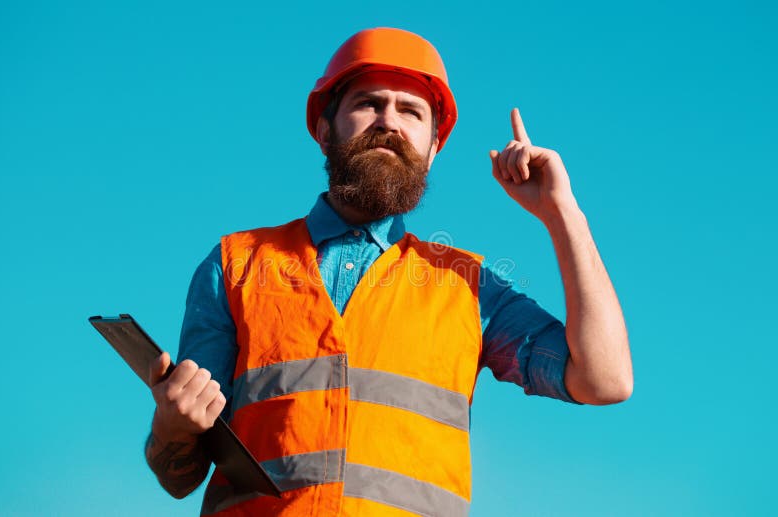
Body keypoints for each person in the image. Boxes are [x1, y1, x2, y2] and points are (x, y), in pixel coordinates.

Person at [145, 27, 633, 516]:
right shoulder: (235, 264)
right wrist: (171, 426)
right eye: (369, 104)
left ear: (433, 147)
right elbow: (180, 476)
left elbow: (605, 380)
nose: (389, 123)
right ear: (324, 131)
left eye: (411, 111)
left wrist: (562, 212)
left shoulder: (469, 286)